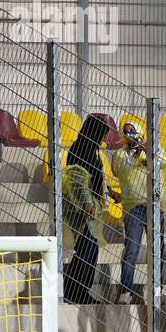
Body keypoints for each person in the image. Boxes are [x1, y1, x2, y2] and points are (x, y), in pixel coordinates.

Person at [62, 115, 110, 304]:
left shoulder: (92, 149)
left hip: (92, 206)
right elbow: (78, 180)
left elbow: (96, 176)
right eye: (102, 134)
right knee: (87, 250)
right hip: (82, 207)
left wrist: (109, 192)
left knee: (89, 249)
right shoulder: (81, 148)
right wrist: (87, 203)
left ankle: (75, 289)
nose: (104, 138)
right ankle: (76, 290)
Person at [111, 121, 151, 304]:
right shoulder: (120, 155)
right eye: (126, 132)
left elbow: (160, 166)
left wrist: (146, 149)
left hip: (151, 206)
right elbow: (120, 171)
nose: (130, 135)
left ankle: (156, 292)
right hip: (133, 207)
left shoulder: (149, 151)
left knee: (157, 250)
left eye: (133, 131)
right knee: (132, 250)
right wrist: (134, 155)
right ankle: (126, 291)